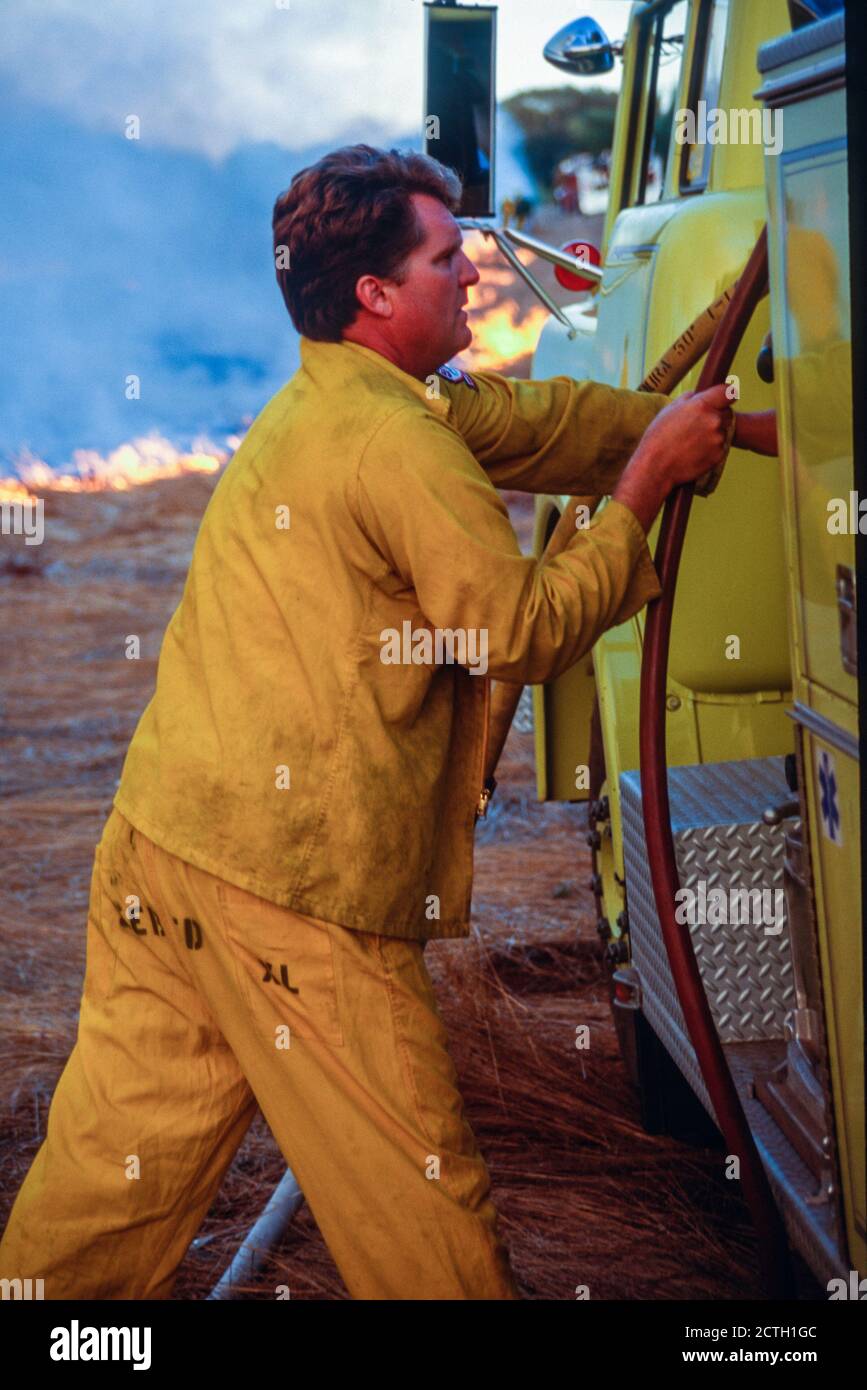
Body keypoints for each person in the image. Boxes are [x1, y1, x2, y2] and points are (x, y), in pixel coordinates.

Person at [0, 144, 761, 1301]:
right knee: (428, 1226)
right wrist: (644, 489)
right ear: (376, 292)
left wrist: (682, 423)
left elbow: (533, 419)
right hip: (295, 896)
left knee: (106, 1194)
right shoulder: (402, 446)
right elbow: (521, 626)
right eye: (448, 259)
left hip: (163, 850)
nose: (474, 279)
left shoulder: (344, 399)